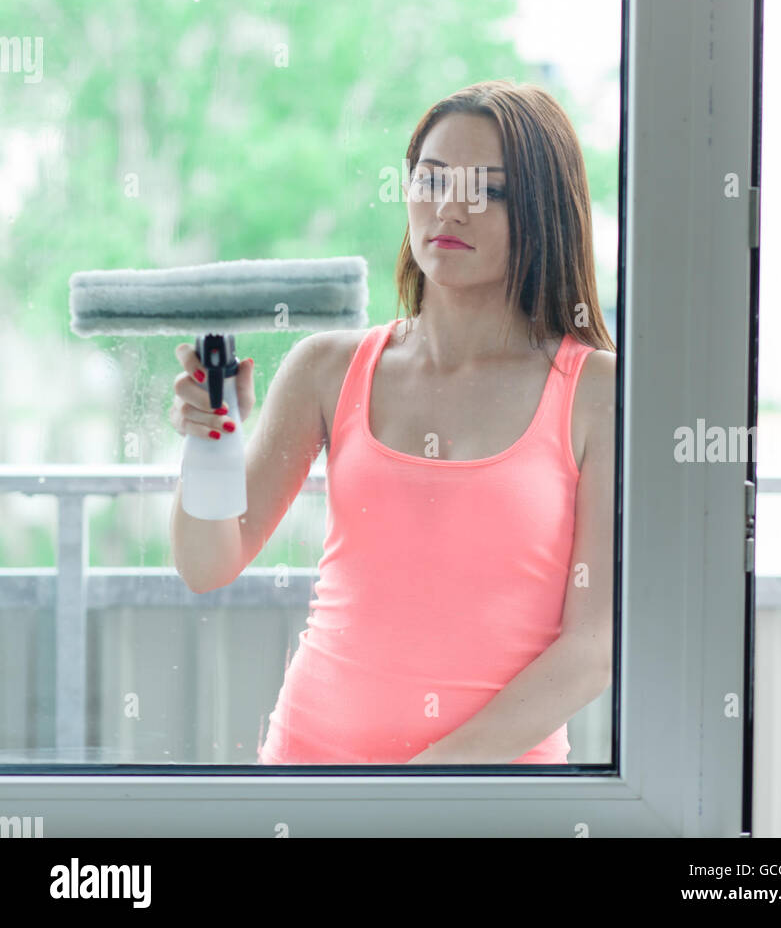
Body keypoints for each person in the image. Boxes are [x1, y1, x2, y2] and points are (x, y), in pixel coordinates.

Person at [169, 79, 616, 764]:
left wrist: (421, 787)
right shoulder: (326, 368)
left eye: (487, 191)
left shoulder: (596, 391)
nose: (449, 208)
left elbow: (593, 647)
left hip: (491, 800)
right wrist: (210, 446)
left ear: (544, 212)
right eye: (430, 180)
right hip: (308, 774)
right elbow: (207, 566)